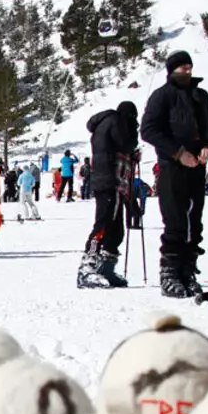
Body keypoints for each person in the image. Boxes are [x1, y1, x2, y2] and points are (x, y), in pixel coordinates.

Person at [140, 50, 208, 298]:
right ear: (171, 70)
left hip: (197, 167)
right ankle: (169, 272)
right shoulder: (162, 96)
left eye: (189, 67)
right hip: (171, 167)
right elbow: (148, 130)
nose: (187, 71)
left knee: (194, 221)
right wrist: (178, 153)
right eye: (182, 68)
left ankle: (187, 270)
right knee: (175, 220)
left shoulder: (200, 95)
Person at [78, 100, 139, 289]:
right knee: (104, 222)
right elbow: (126, 144)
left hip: (106, 178)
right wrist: (133, 135)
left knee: (115, 225)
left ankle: (106, 267)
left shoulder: (104, 123)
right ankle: (87, 267)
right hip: (110, 179)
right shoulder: (116, 121)